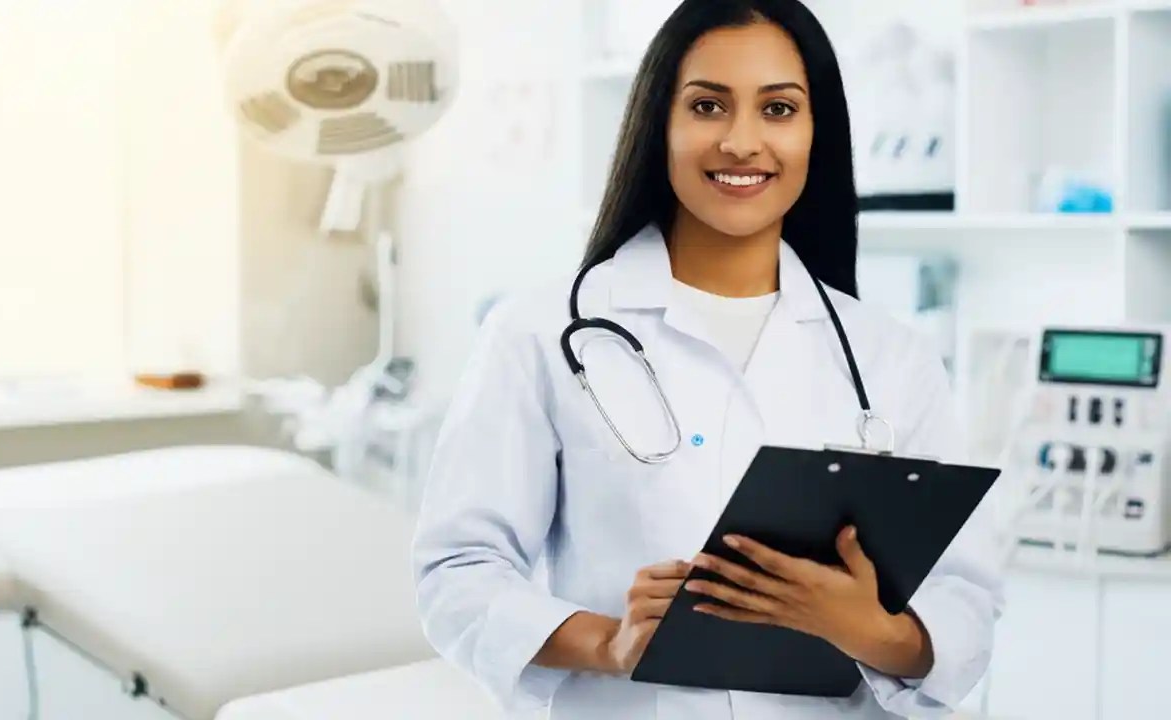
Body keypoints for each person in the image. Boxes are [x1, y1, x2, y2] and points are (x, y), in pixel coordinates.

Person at [411, 1, 1003, 718]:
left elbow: (966, 599)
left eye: (779, 109)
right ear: (659, 124)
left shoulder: (892, 358)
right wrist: (609, 642)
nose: (742, 141)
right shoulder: (540, 332)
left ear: (818, 132)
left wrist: (872, 631)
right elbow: (457, 571)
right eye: (707, 106)